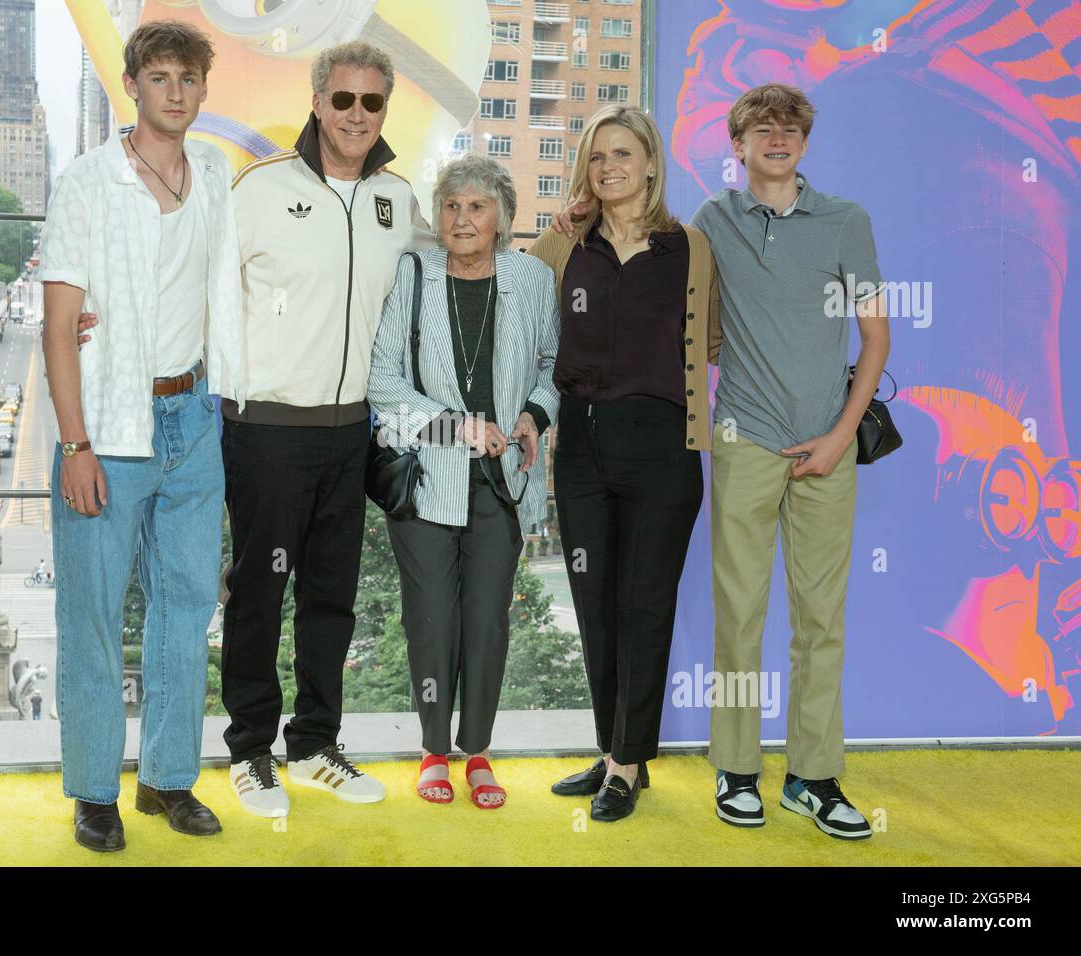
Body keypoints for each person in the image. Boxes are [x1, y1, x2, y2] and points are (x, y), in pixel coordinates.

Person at [207, 40, 432, 820]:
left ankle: (314, 745)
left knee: (332, 597)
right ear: (316, 102)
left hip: (351, 434)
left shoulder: (398, 200)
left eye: (373, 102)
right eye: (344, 100)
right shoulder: (258, 190)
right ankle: (249, 752)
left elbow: (449, 274)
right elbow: (205, 293)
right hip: (266, 430)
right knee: (260, 594)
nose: (357, 115)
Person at [37, 20, 242, 852]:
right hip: (111, 427)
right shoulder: (86, 182)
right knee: (90, 616)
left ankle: (166, 779)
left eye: (189, 78)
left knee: (187, 608)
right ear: (132, 85)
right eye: (160, 77)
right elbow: (57, 328)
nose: (177, 92)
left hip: (193, 418)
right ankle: (93, 792)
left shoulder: (218, 173)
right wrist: (76, 445)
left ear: (202, 87)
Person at [692, 84, 888, 839]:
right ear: (738, 144)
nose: (777, 137)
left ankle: (812, 777)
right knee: (739, 616)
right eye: (761, 128)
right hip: (744, 443)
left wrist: (842, 435)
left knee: (821, 620)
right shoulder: (713, 221)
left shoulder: (846, 222)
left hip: (826, 448)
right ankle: (736, 769)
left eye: (790, 127)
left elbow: (875, 340)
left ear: (805, 142)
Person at [534, 106, 722, 822]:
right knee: (596, 606)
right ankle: (614, 748)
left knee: (644, 606)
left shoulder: (691, 249)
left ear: (650, 163)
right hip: (580, 444)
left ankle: (627, 762)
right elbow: (521, 308)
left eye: (621, 153)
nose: (608, 166)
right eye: (596, 156)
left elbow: (710, 344)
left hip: (663, 447)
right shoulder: (565, 248)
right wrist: (557, 225)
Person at [368, 155, 560, 809]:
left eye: (477, 206)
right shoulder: (413, 274)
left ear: (502, 217)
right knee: (431, 620)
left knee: (485, 623)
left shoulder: (532, 279)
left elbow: (553, 364)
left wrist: (535, 415)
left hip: (503, 485)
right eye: (451, 206)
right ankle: (432, 751)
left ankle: (476, 752)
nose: (462, 218)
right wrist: (457, 428)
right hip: (427, 479)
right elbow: (383, 381)